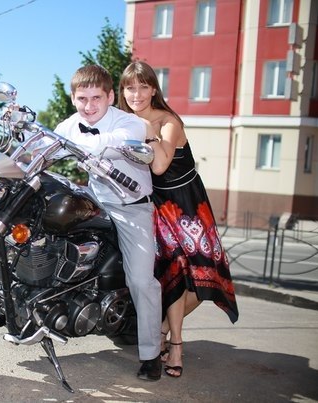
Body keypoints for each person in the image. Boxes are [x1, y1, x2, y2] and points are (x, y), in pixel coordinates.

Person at [118, 61, 240, 378]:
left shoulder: (167, 122)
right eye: (130, 88)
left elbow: (159, 166)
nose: (136, 94)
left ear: (153, 90)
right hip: (157, 205)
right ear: (123, 91)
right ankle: (175, 345)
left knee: (208, 275)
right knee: (174, 274)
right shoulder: (123, 121)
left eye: (143, 87)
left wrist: (148, 131)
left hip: (188, 204)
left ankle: (160, 330)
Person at [53, 64, 162, 381]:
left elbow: (112, 142)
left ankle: (151, 355)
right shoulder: (70, 125)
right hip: (94, 200)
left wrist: (69, 145)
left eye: (96, 98)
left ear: (111, 97)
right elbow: (42, 148)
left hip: (131, 207)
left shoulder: (131, 123)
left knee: (141, 281)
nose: (89, 106)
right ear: (73, 98)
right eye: (82, 98)